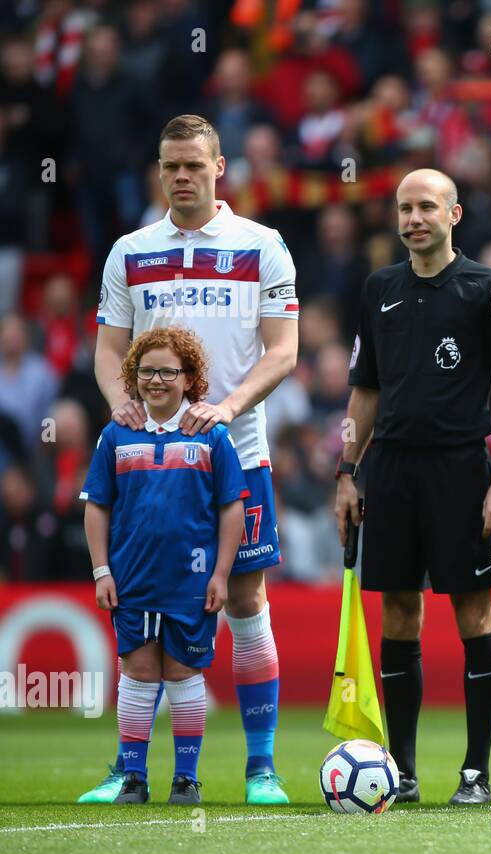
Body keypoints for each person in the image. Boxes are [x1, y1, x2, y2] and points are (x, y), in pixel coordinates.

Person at [80, 114, 299, 805]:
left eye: (194, 166)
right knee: (141, 600)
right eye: (170, 166)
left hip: (239, 453)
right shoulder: (131, 252)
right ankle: (130, 770)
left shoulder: (261, 246)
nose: (181, 177)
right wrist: (120, 402)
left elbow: (285, 349)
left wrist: (230, 410)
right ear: (159, 170)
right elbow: (110, 352)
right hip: (150, 464)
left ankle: (261, 767)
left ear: (219, 167)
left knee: (245, 597)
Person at [335, 168, 491, 805]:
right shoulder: (380, 288)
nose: (414, 218)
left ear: (453, 215)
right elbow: (365, 388)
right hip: (390, 468)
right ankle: (403, 769)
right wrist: (347, 470)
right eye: (404, 208)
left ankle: (475, 772)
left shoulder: (488, 289)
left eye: (427, 207)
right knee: (398, 611)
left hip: (460, 467)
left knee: (473, 611)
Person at [81, 326, 247, 804]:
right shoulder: (117, 434)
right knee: (136, 671)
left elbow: (230, 507)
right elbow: (97, 505)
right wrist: (101, 570)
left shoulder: (212, 435)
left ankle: (186, 778)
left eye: (167, 372)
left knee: (182, 673)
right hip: (131, 578)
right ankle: (133, 777)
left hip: (190, 582)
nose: (156, 381)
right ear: (132, 376)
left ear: (189, 377)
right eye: (146, 371)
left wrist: (220, 573)